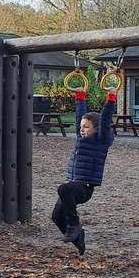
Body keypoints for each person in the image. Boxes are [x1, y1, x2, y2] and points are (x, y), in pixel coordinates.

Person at [51, 85, 116, 255]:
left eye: (86, 127)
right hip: (74, 183)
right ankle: (79, 237)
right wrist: (80, 96)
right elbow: (79, 115)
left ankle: (74, 224)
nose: (82, 129)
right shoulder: (81, 138)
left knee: (63, 189)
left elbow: (105, 119)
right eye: (81, 126)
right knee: (56, 217)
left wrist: (111, 97)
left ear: (96, 129)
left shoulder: (101, 140)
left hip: (85, 188)